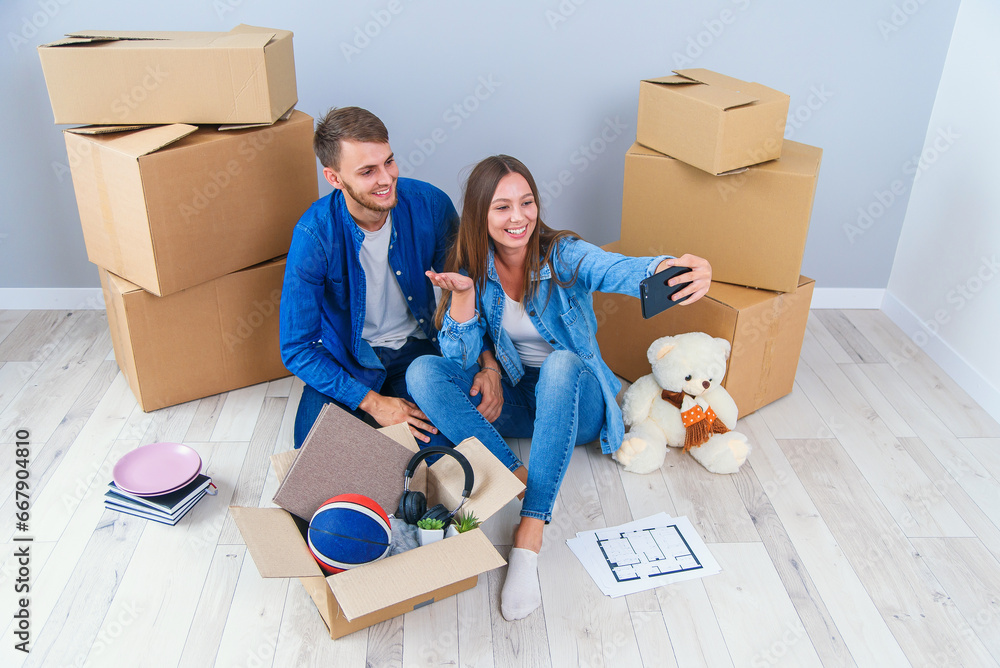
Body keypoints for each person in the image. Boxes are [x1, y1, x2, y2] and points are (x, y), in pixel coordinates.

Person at [405, 155, 711, 620]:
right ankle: (513, 473)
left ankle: (530, 530)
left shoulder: (563, 253)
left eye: (526, 202)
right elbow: (459, 362)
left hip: (575, 402)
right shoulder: (470, 267)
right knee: (421, 373)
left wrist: (671, 267)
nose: (518, 217)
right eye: (502, 207)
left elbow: (616, 268)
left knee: (562, 363)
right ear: (480, 216)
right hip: (515, 399)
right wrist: (464, 303)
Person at [279, 107, 503, 449]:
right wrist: (372, 402)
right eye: (368, 171)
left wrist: (489, 364)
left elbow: (467, 288)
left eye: (389, 161)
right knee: (316, 471)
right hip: (348, 362)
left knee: (449, 461)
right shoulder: (314, 235)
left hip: (417, 354)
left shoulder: (430, 204)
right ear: (335, 178)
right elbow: (297, 348)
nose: (386, 179)